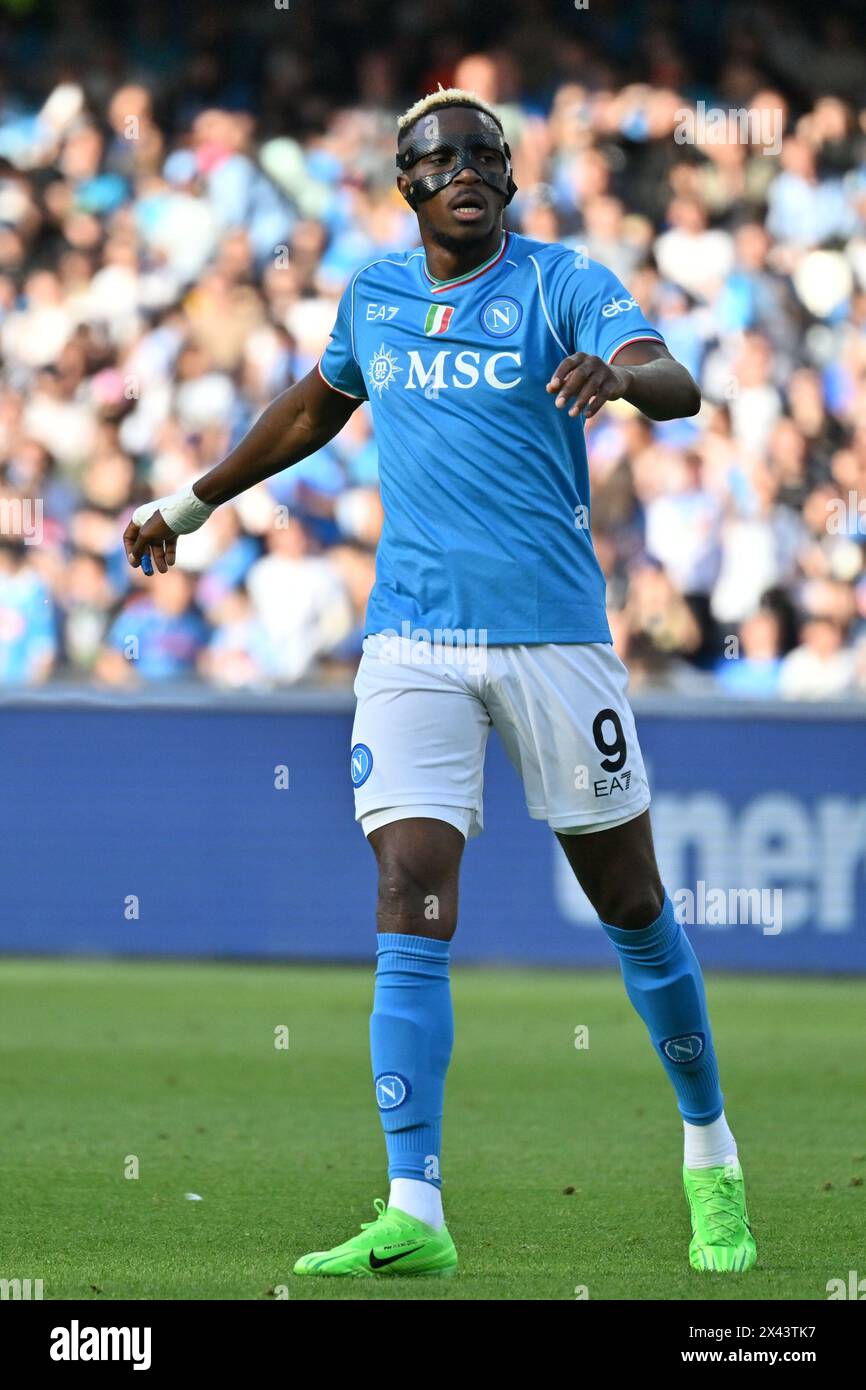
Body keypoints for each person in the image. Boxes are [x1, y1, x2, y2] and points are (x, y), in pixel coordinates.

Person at [123, 88, 756, 1279]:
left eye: (482, 155)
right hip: (410, 641)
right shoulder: (372, 295)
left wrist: (621, 381)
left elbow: (669, 376)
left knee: (629, 903)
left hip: (553, 642)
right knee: (409, 889)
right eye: (435, 157)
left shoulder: (562, 281)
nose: (462, 169)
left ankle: (709, 1158)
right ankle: (415, 1206)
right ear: (404, 184)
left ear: (508, 179)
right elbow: (317, 404)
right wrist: (190, 503)